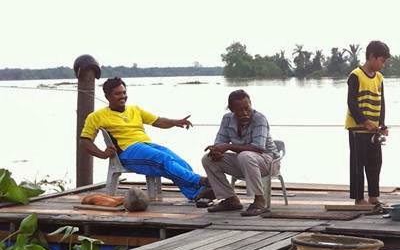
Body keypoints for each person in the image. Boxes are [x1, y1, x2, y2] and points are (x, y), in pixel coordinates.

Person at [79, 77, 210, 201]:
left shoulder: (135, 109)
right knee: (164, 160)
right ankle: (202, 181)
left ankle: (197, 192)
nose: (123, 96)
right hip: (127, 153)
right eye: (118, 94)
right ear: (107, 96)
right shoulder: (96, 116)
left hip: (146, 146)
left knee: (177, 160)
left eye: (124, 92)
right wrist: (102, 154)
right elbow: (85, 140)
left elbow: (157, 121)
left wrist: (176, 122)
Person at [201, 89, 281, 216]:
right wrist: (216, 151)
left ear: (250, 105)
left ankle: (260, 201)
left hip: (268, 163)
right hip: (244, 162)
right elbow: (220, 142)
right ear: (232, 110)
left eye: (247, 108)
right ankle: (230, 199)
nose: (245, 113)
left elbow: (258, 148)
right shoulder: (227, 119)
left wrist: (228, 146)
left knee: (245, 156)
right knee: (208, 158)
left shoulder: (259, 118)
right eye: (239, 110)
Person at [344, 40, 390, 207]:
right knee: (358, 164)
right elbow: (352, 103)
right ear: (371, 57)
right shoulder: (355, 75)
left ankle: (374, 196)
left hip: (374, 130)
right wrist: (364, 121)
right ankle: (358, 198)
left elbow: (382, 102)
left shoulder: (379, 77)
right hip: (358, 129)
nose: (383, 65)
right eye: (381, 60)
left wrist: (382, 125)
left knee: (375, 162)